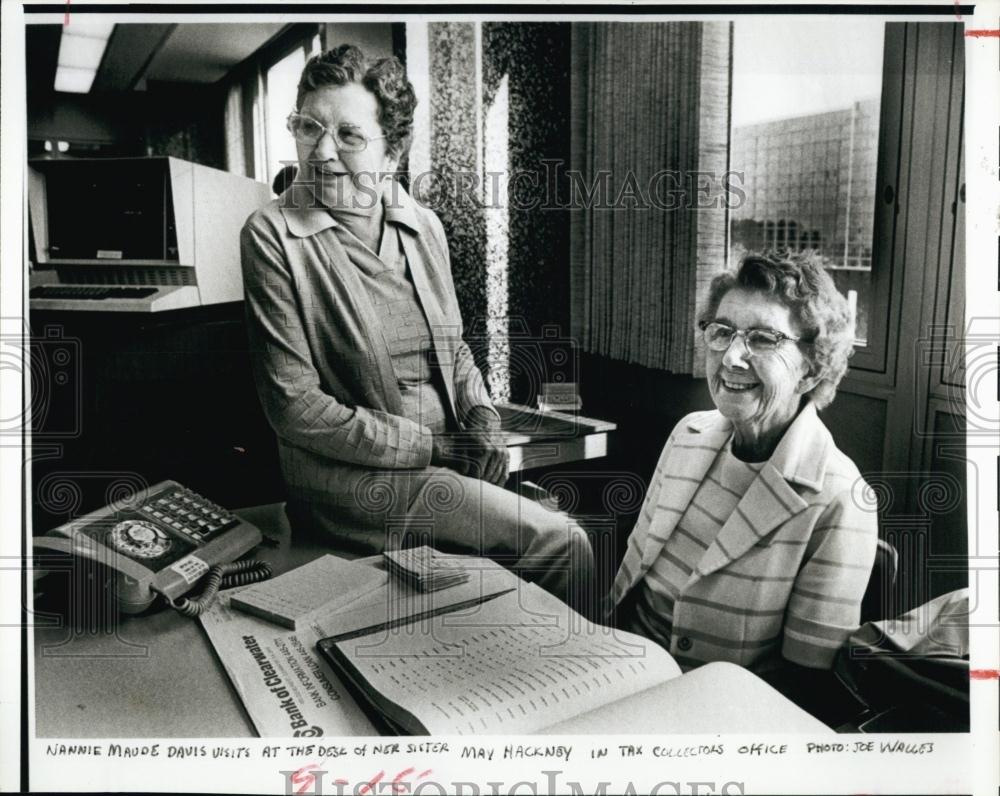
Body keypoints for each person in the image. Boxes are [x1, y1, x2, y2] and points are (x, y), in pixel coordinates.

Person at [240, 44, 593, 609]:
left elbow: (454, 355)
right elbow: (294, 406)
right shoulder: (271, 234)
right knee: (560, 543)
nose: (322, 152)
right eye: (308, 128)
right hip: (352, 483)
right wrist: (433, 446)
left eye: (349, 136)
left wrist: (480, 418)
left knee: (551, 525)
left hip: (447, 461)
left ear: (394, 149)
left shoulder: (423, 226)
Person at [606, 253, 878, 690]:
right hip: (617, 670)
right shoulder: (687, 434)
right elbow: (628, 588)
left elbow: (805, 687)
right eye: (723, 332)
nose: (732, 357)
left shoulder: (841, 499)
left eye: (763, 339)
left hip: (718, 715)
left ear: (811, 368)